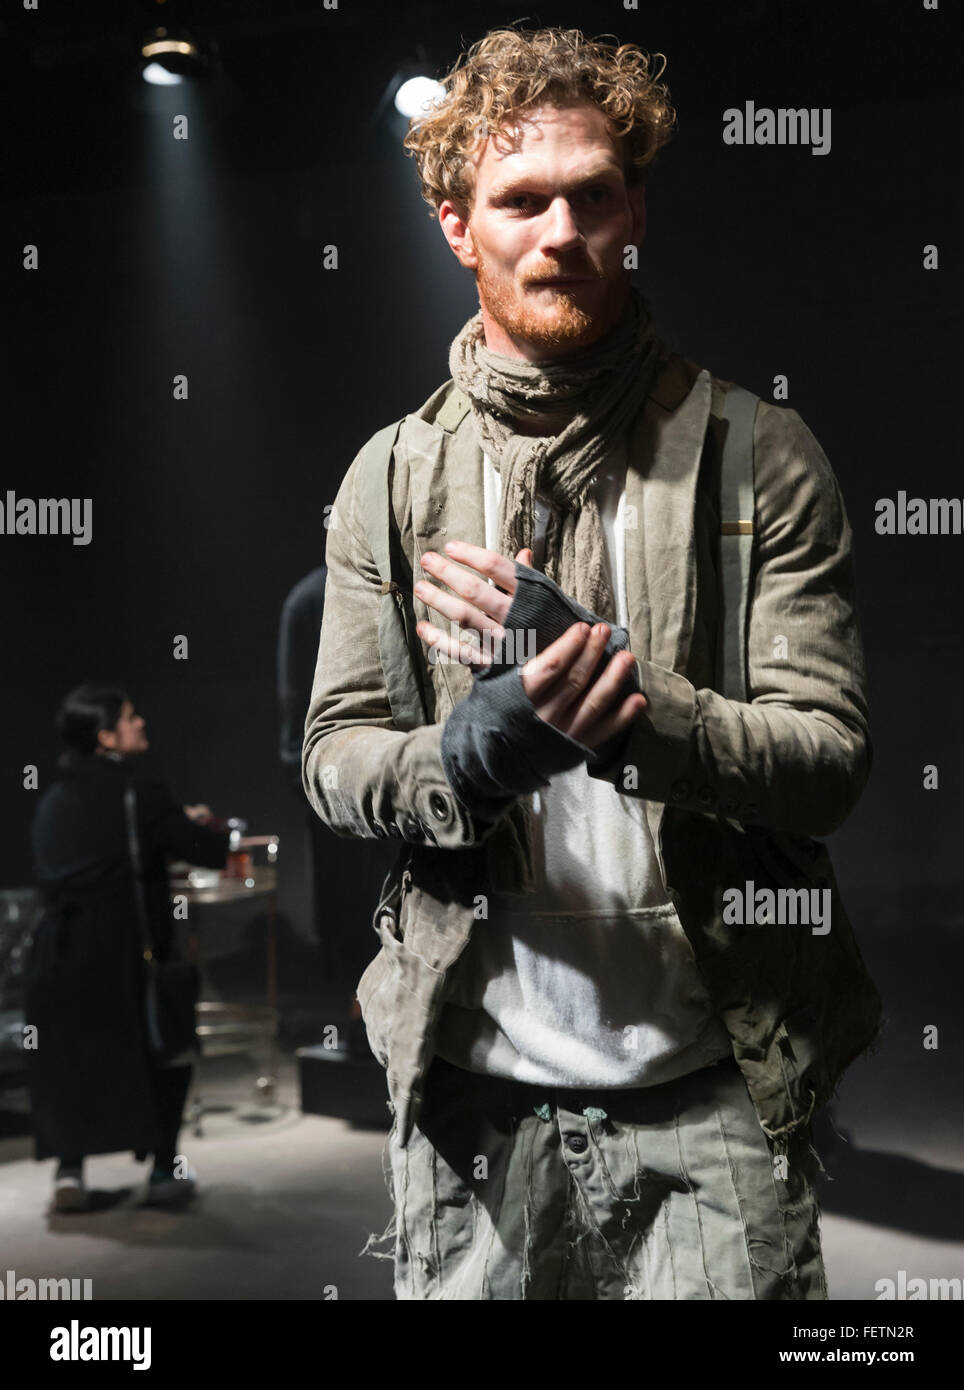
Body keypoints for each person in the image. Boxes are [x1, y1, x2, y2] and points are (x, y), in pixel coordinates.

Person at [303, 26, 883, 1299]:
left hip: (713, 1096)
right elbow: (335, 761)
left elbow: (829, 760)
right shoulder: (389, 477)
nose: (559, 230)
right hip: (473, 1106)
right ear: (458, 226)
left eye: (593, 193)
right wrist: (465, 754)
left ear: (635, 209)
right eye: (520, 200)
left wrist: (623, 708)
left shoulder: (757, 454)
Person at [26, 683, 231, 1212]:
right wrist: (208, 824)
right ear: (106, 737)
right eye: (131, 717)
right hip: (128, 955)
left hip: (59, 956)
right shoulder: (140, 790)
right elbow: (206, 852)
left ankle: (70, 1175)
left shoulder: (52, 801)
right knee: (168, 1048)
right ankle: (164, 1170)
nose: (141, 723)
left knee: (74, 1062)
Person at [277, 566, 395, 1050]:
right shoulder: (312, 599)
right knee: (359, 911)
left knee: (369, 909)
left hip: (373, 778)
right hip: (352, 780)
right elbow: (294, 715)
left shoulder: (311, 597)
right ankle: (363, 1023)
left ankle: (369, 1023)